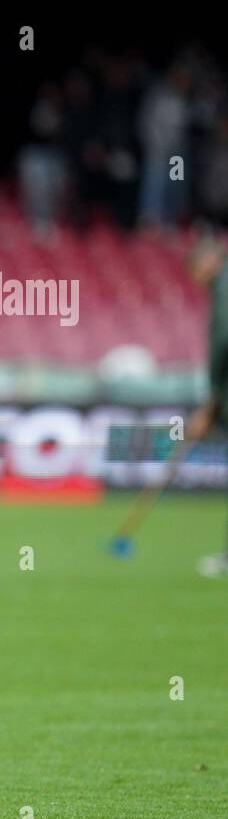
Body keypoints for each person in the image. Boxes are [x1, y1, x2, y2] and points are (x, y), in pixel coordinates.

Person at [187, 229, 228, 576]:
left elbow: (224, 341)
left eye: (196, 271)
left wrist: (214, 397)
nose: (197, 281)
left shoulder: (224, 287)